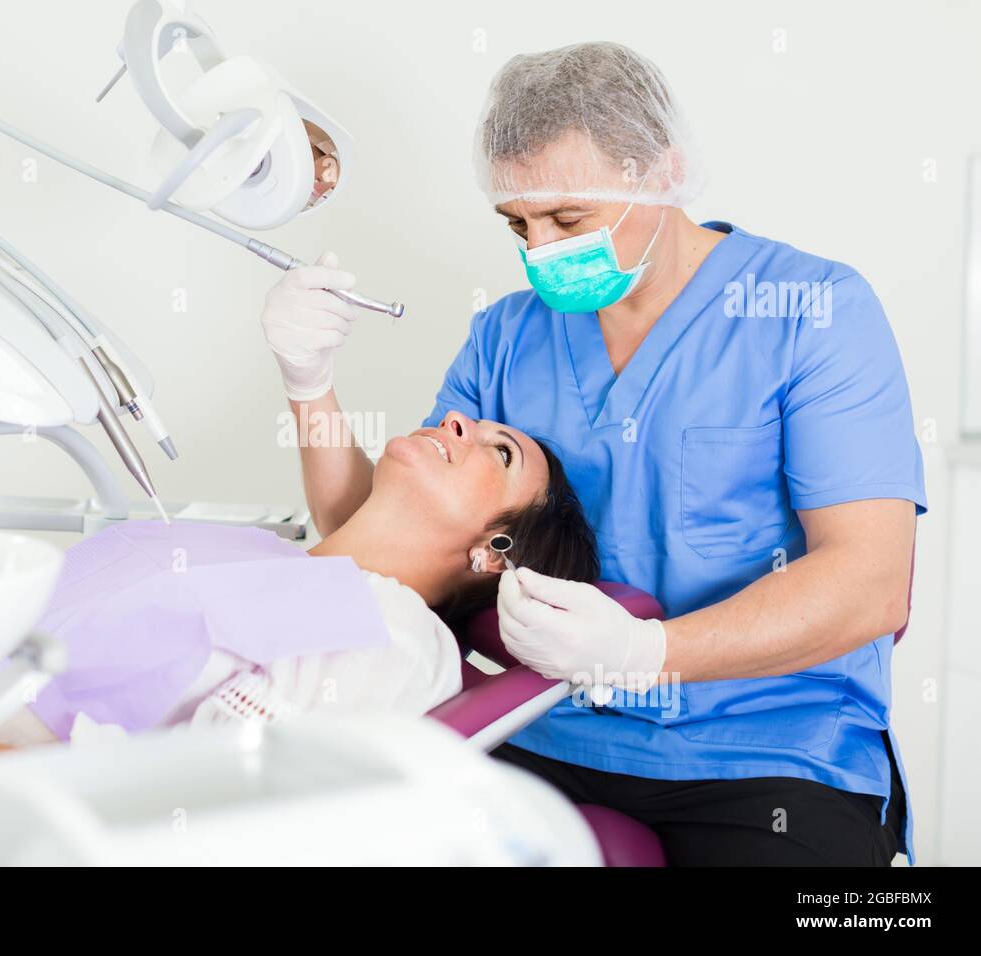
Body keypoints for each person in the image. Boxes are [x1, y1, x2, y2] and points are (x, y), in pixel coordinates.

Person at [259, 42, 925, 866]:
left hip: (765, 753)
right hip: (539, 726)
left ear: (664, 172)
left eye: (568, 219)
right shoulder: (506, 334)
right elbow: (384, 539)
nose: (540, 251)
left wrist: (651, 654)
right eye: (518, 225)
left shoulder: (812, 313)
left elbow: (870, 588)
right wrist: (309, 380)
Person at [0, 411, 599, 789]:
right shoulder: (271, 553)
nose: (455, 419)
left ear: (495, 550)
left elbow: (192, 808)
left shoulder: (394, 638)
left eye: (498, 451)